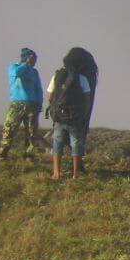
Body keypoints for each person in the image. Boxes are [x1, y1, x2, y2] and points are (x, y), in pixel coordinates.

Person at [47, 48, 95, 180]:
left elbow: (50, 97)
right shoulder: (83, 78)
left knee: (57, 142)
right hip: (75, 118)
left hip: (59, 117)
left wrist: (55, 109)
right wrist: (83, 115)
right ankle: (76, 173)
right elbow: (87, 99)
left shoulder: (57, 76)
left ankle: (56, 173)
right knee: (76, 144)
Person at [0, 48, 43, 160]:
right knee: (9, 129)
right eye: (33, 58)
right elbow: (17, 73)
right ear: (27, 57)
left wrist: (39, 102)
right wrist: (26, 64)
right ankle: (3, 154)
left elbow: (38, 88)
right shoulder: (13, 67)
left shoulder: (34, 72)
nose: (34, 61)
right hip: (17, 104)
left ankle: (29, 155)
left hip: (32, 105)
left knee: (32, 132)